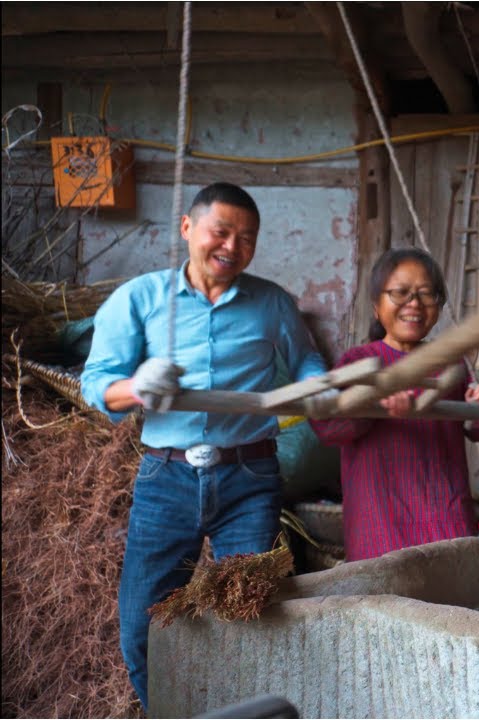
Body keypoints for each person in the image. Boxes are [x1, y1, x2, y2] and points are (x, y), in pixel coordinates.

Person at [80, 182, 328, 709]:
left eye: (247, 238)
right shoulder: (142, 298)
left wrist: (314, 385)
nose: (232, 247)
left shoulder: (273, 303)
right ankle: (165, 711)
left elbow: (307, 361)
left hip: (250, 478)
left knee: (251, 614)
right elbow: (95, 382)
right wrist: (135, 386)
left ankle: (242, 712)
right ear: (188, 228)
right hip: (165, 478)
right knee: (143, 624)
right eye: (221, 231)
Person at [310, 247, 479, 561]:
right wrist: (372, 406)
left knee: (451, 594)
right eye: (401, 293)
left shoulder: (448, 360)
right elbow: (329, 429)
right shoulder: (359, 362)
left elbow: (476, 430)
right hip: (380, 516)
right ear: (376, 306)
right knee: (381, 600)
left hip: (444, 511)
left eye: (426, 294)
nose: (414, 304)